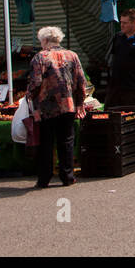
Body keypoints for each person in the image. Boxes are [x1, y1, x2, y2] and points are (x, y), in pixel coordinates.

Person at [26, 26, 88, 188]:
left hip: (45, 107)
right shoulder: (72, 55)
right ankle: (67, 176)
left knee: (46, 142)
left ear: (45, 40)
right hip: (67, 104)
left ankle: (44, 178)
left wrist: (29, 98)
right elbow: (81, 82)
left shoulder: (40, 57)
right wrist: (80, 103)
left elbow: (35, 82)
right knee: (66, 141)